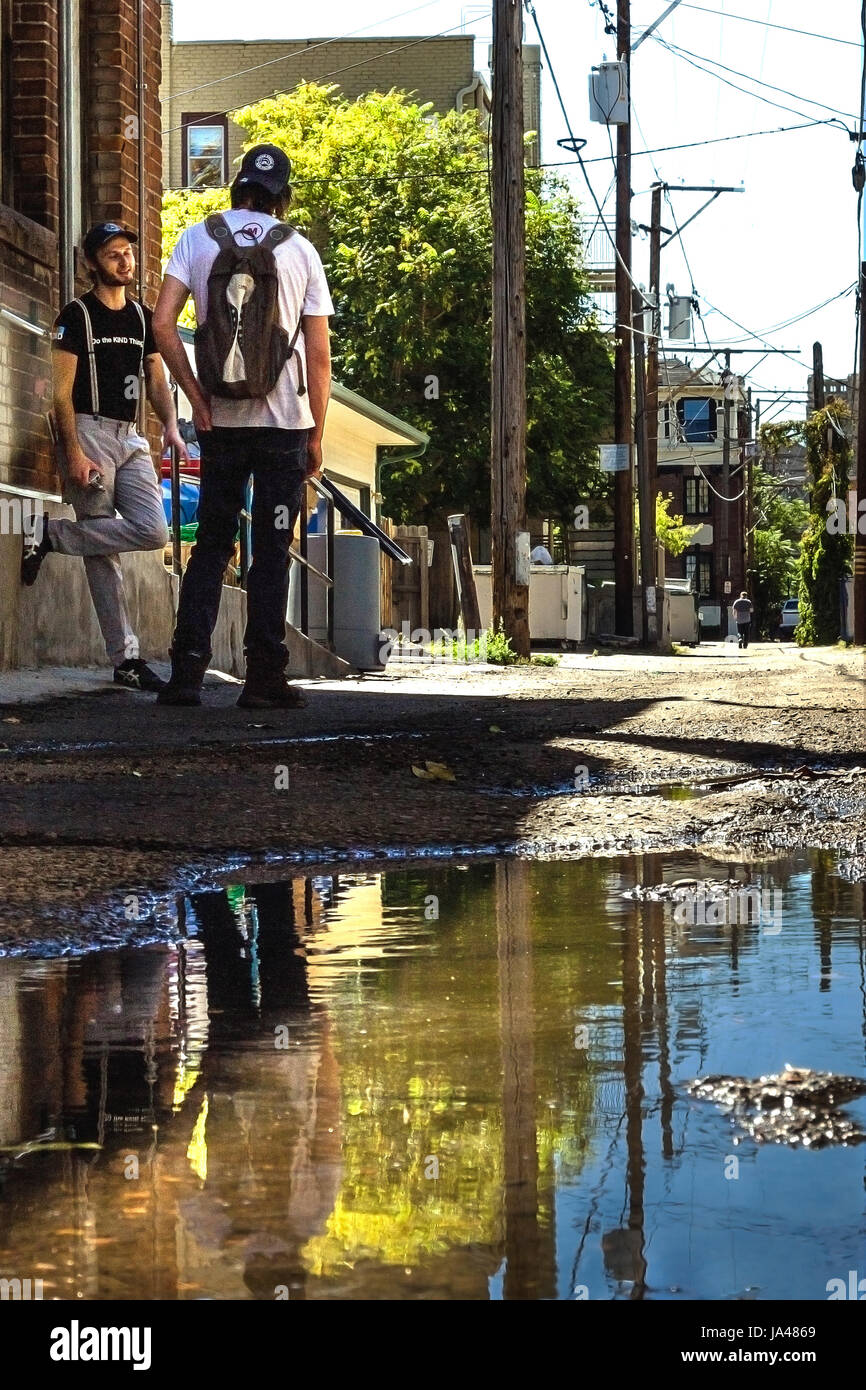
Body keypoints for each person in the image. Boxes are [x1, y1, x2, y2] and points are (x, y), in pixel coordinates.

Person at [152, 143, 333, 708]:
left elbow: (161, 325)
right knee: (273, 546)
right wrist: (316, 436)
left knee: (210, 541)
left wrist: (198, 401)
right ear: (282, 195)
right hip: (283, 425)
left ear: (237, 188)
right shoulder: (300, 249)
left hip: (220, 422)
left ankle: (186, 673)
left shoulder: (196, 238)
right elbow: (320, 357)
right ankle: (263, 678)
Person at [21, 223, 185, 691]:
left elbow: (156, 381)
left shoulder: (141, 317)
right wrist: (72, 451)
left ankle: (50, 534)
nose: (125, 262)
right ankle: (126, 659)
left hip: (131, 437)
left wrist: (170, 425)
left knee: (153, 530)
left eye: (128, 254)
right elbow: (60, 395)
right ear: (92, 263)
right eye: (113, 255)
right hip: (88, 432)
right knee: (104, 552)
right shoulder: (76, 316)